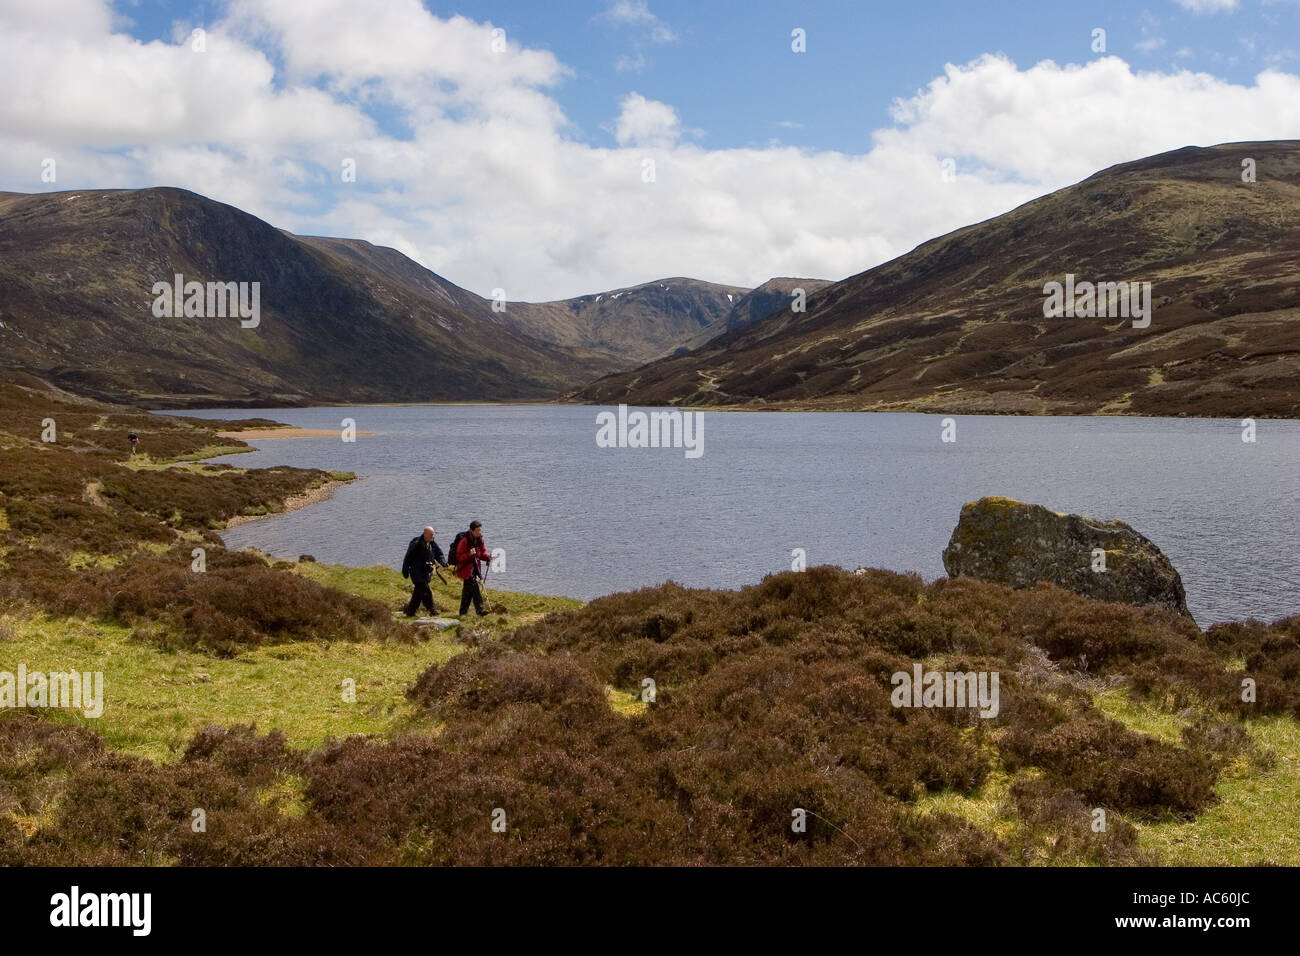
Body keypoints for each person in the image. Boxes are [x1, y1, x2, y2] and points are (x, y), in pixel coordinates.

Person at [400, 525, 448, 617]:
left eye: (433, 535)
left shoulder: (432, 543)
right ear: (425, 534)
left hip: (426, 573)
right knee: (426, 591)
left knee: (418, 593)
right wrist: (405, 571)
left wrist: (443, 563)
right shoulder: (416, 544)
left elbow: (439, 553)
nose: (432, 537)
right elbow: (407, 558)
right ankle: (432, 609)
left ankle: (410, 611)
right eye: (431, 535)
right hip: (416, 573)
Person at [454, 520, 493, 617]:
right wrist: (469, 554)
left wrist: (487, 557)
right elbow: (458, 557)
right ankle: (480, 610)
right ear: (472, 530)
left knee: (468, 591)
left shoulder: (480, 540)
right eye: (478, 530)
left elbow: (481, 554)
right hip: (465, 569)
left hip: (475, 567)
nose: (480, 532)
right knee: (474, 586)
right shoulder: (464, 541)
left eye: (480, 530)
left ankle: (463, 612)